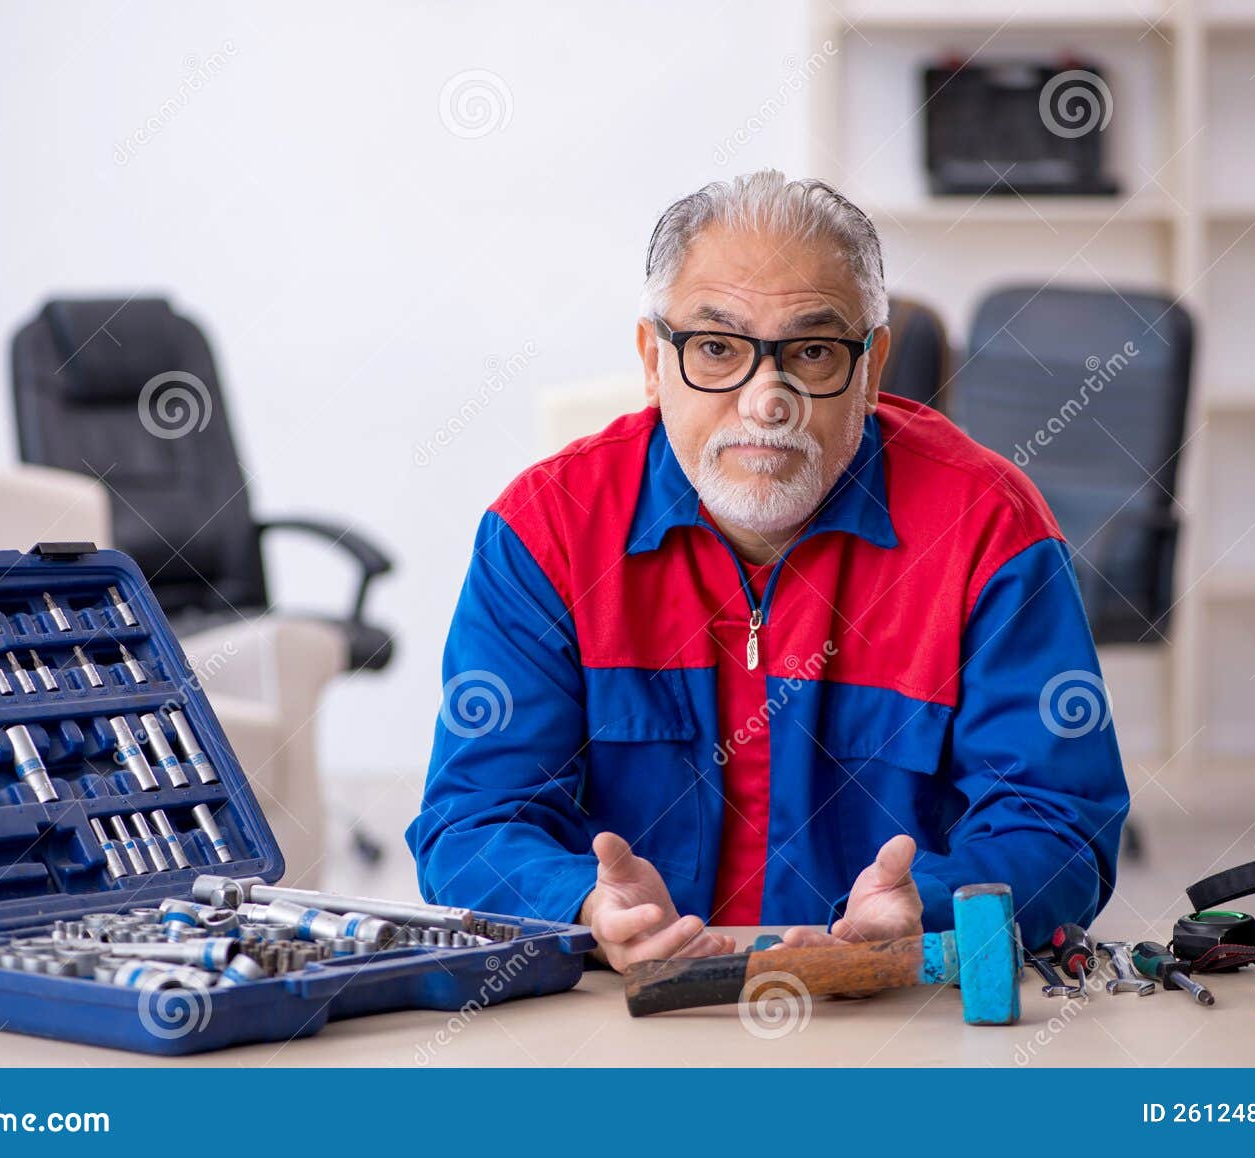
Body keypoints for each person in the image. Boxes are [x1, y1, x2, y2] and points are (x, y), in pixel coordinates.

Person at [407, 170, 1129, 971]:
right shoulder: (545, 531)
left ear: (872, 364)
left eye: (813, 352)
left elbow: (1059, 824)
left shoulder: (989, 529)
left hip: (891, 1012)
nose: (766, 401)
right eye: (717, 349)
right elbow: (471, 824)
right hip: (625, 1013)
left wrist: (933, 905)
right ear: (653, 359)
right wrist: (581, 901)